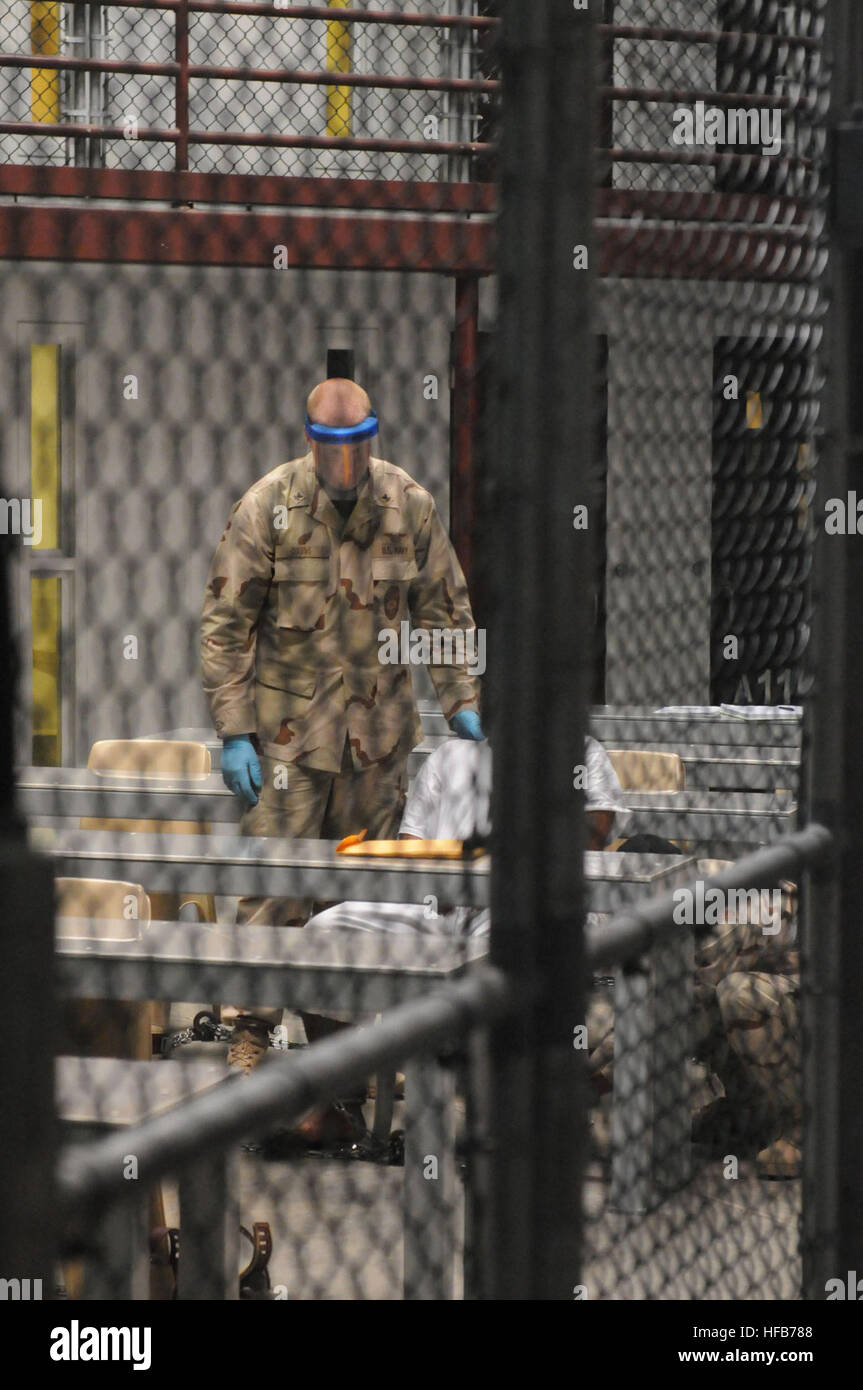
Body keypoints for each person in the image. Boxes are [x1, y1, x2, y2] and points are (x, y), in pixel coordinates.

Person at [201, 379, 483, 1073]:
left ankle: (346, 1064)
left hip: (376, 746)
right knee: (273, 894)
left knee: (359, 898)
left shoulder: (406, 506)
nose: (347, 461)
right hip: (289, 743)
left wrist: (461, 704)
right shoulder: (268, 508)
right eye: (332, 446)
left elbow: (444, 614)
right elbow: (226, 625)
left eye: (358, 444)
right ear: (310, 440)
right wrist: (235, 730)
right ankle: (251, 1039)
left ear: (372, 436)